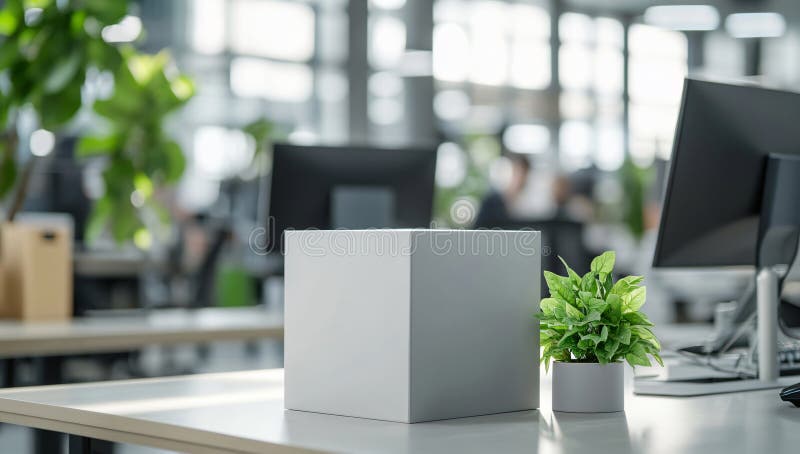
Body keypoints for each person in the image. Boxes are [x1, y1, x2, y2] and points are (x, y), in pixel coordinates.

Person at [473, 153, 531, 228]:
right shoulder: (491, 203)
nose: (519, 179)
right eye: (516, 173)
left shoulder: (528, 204)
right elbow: (478, 230)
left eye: (523, 174)